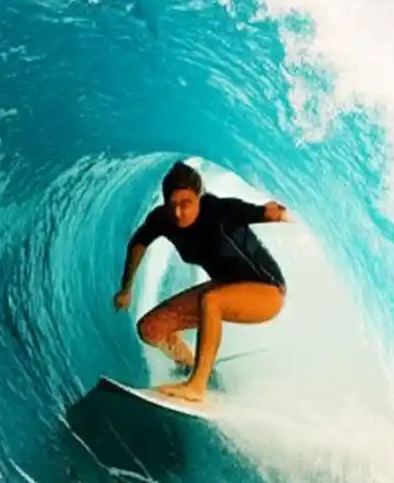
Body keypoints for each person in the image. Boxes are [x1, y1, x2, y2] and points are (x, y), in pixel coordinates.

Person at [114, 160, 291, 402]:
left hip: (268, 291)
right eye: (172, 204)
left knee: (211, 301)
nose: (178, 212)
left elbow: (270, 212)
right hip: (225, 286)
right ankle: (195, 369)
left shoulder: (221, 211)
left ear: (200, 196)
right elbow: (139, 242)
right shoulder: (162, 219)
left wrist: (280, 213)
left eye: (186, 203)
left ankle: (196, 386)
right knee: (151, 330)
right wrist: (126, 289)